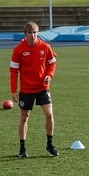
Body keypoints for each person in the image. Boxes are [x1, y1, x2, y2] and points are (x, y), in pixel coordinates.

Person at [10, 21, 58, 158]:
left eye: (35, 32)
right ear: (25, 34)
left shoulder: (45, 46)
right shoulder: (18, 50)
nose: (32, 35)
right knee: (24, 117)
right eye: (30, 33)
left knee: (49, 114)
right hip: (26, 89)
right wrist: (14, 90)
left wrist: (49, 75)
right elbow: (13, 71)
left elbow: (52, 63)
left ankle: (49, 144)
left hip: (43, 88)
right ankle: (22, 147)